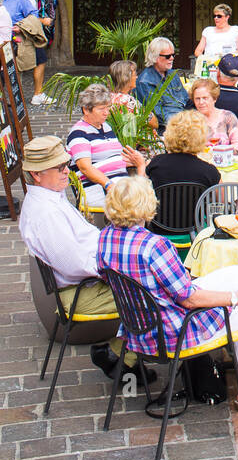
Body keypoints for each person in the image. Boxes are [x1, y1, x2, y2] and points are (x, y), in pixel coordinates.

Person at [96, 175, 238, 408]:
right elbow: (189, 300)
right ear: (147, 205)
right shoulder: (154, 246)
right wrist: (236, 298)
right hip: (170, 331)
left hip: (138, 326)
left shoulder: (105, 239)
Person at [18, 135, 146, 381]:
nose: (68, 171)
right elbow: (77, 264)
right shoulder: (45, 213)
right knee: (155, 291)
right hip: (80, 292)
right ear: (37, 174)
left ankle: (122, 353)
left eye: (67, 164)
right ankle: (120, 355)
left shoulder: (50, 197)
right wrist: (122, 263)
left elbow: (85, 245)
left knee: (152, 278)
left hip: (89, 279)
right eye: (60, 167)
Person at [66, 83, 147, 205]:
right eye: (101, 109)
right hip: (99, 189)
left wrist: (136, 160)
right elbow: (85, 167)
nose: (106, 113)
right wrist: (108, 185)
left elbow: (111, 157)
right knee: (141, 201)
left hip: (121, 185)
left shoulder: (106, 127)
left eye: (108, 107)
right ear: (86, 109)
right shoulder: (78, 133)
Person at [146, 111, 221, 192]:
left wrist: (140, 167)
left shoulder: (155, 164)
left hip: (162, 205)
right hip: (197, 205)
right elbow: (223, 200)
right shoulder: (209, 172)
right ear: (201, 138)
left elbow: (143, 193)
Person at [15, 0, 55, 105]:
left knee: (37, 60)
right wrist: (43, 21)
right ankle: (36, 94)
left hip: (29, 32)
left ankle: (34, 94)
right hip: (27, 33)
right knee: (36, 61)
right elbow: (27, 16)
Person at [135, 38, 190, 129]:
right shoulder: (145, 82)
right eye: (168, 56)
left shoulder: (172, 74)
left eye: (173, 55)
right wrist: (184, 122)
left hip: (183, 121)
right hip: (165, 128)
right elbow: (158, 114)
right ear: (155, 57)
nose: (172, 58)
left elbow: (187, 101)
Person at [189, 77, 238, 153]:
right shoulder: (189, 120)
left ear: (214, 98)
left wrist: (218, 151)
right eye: (197, 99)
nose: (201, 102)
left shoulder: (228, 117)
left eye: (205, 98)